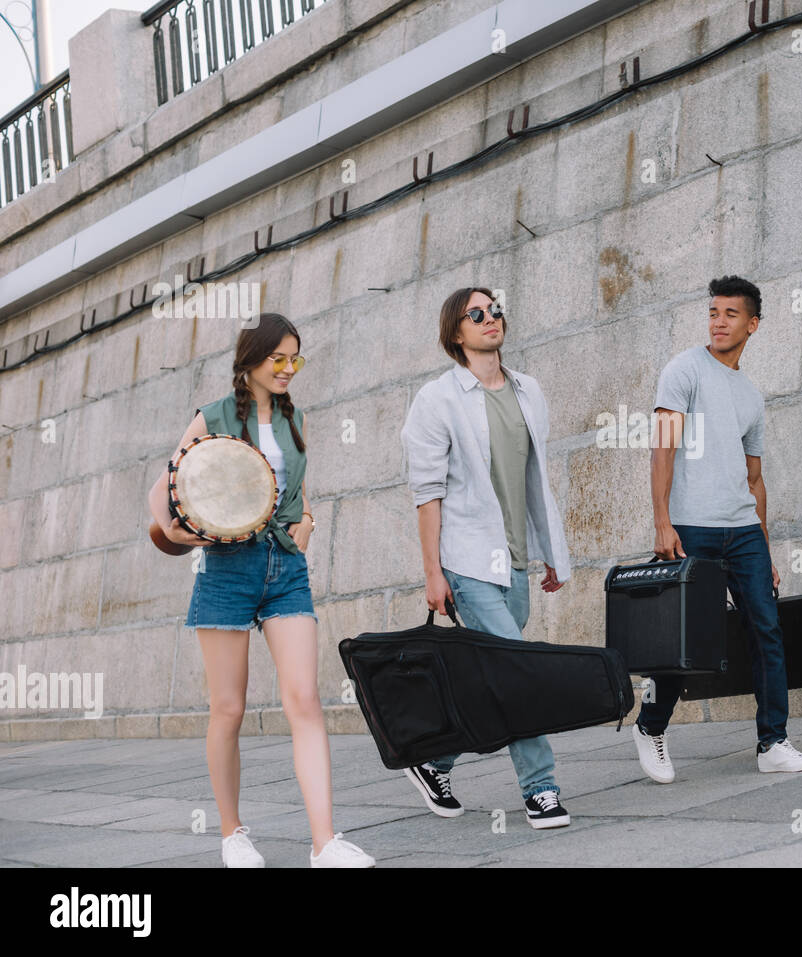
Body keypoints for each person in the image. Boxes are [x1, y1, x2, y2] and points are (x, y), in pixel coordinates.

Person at [147, 313, 374, 868]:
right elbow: (163, 490)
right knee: (228, 708)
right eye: (279, 358)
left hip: (285, 570)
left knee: (305, 700)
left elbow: (295, 490)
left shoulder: (294, 420)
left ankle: (325, 842)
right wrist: (179, 532)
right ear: (250, 361)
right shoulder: (213, 416)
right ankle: (232, 833)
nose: (289, 368)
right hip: (226, 568)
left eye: (295, 358)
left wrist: (309, 520)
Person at [632, 276, 802, 782]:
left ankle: (773, 742)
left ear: (752, 324)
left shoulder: (751, 396)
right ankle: (650, 726)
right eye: (713, 312)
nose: (719, 321)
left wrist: (764, 542)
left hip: (743, 532)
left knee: (767, 631)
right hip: (692, 529)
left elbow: (755, 478)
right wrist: (662, 521)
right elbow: (662, 448)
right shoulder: (684, 370)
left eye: (731, 314)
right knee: (686, 638)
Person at [399, 287, 573, 829]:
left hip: (514, 559)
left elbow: (531, 479)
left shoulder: (529, 391)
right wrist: (433, 573)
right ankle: (540, 789)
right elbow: (427, 494)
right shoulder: (437, 399)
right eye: (477, 314)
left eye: (495, 308)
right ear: (456, 332)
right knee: (517, 670)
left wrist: (546, 552)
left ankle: (433, 757)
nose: (490, 317)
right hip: (467, 560)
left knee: (489, 677)